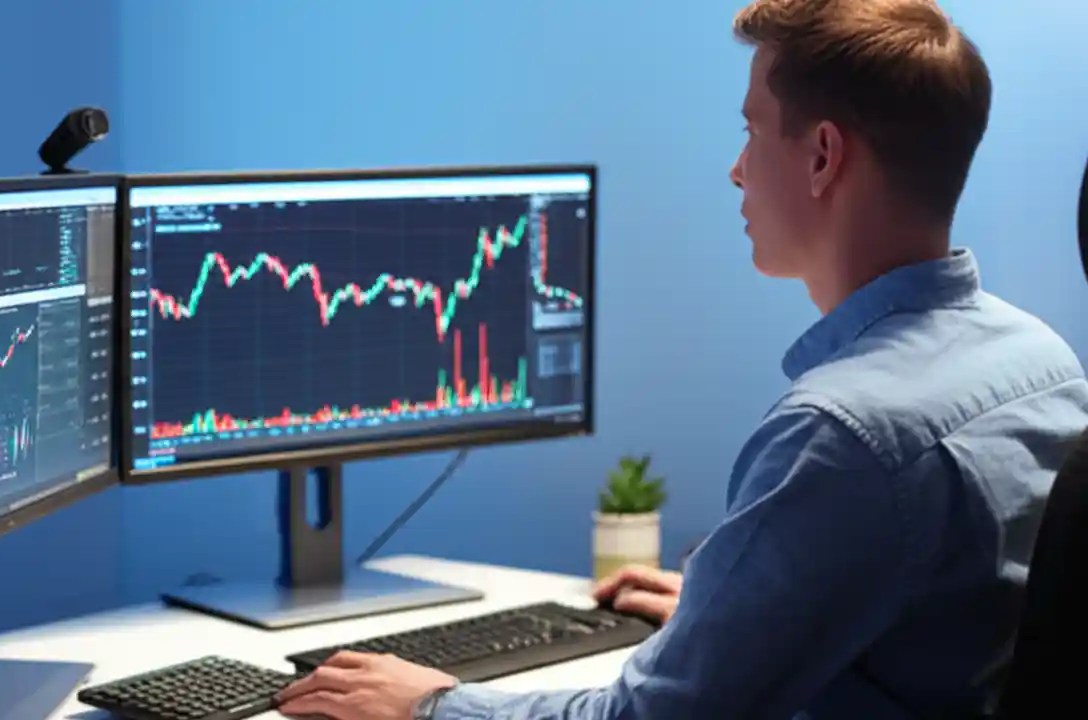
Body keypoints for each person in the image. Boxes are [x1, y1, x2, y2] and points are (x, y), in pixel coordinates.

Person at [274, 0, 1088, 717]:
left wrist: (431, 705)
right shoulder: (1040, 358)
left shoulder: (843, 437)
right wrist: (732, 616)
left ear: (822, 157)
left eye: (752, 130)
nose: (736, 169)